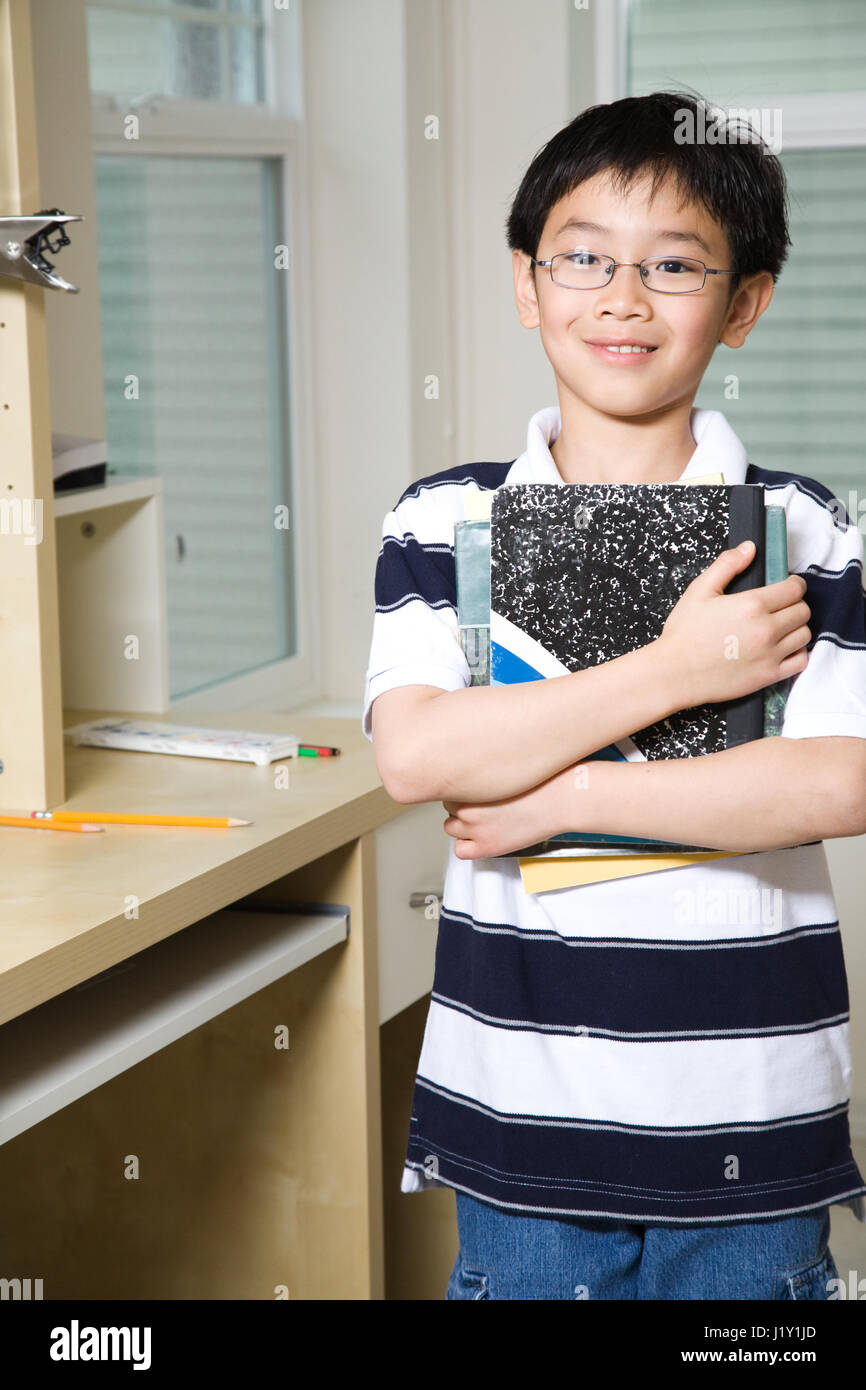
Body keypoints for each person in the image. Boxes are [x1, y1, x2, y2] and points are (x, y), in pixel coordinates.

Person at [361, 91, 866, 1300]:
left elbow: (837, 778)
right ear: (528, 285)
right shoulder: (444, 520)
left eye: (674, 265)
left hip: (752, 1117)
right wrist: (679, 674)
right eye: (582, 257)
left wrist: (553, 798)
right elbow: (421, 757)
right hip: (521, 1114)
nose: (621, 297)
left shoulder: (808, 527)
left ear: (743, 302)